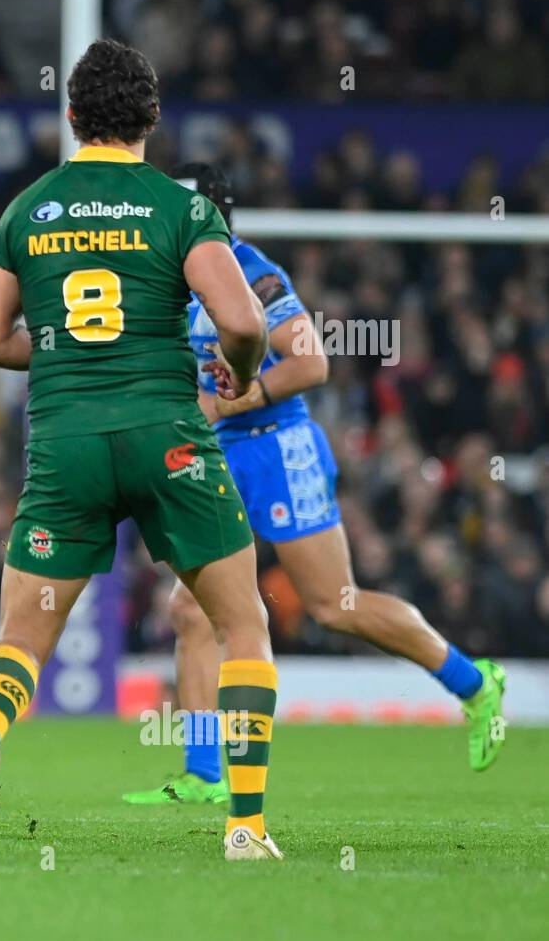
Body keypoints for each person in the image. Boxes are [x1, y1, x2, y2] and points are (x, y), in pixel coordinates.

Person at [0, 39, 283, 861]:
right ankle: (246, 825)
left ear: (71, 116)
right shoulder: (179, 208)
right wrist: (237, 372)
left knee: (21, 635)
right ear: (151, 118)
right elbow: (246, 322)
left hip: (66, 442)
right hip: (167, 437)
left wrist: (72, 351)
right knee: (240, 621)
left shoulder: (30, 207)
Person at [123, 165, 506, 807]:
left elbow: (312, 362)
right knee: (191, 608)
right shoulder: (170, 282)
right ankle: (203, 774)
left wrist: (234, 403)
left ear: (208, 216)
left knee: (334, 605)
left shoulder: (256, 274)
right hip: (218, 455)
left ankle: (473, 681)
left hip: (279, 450)